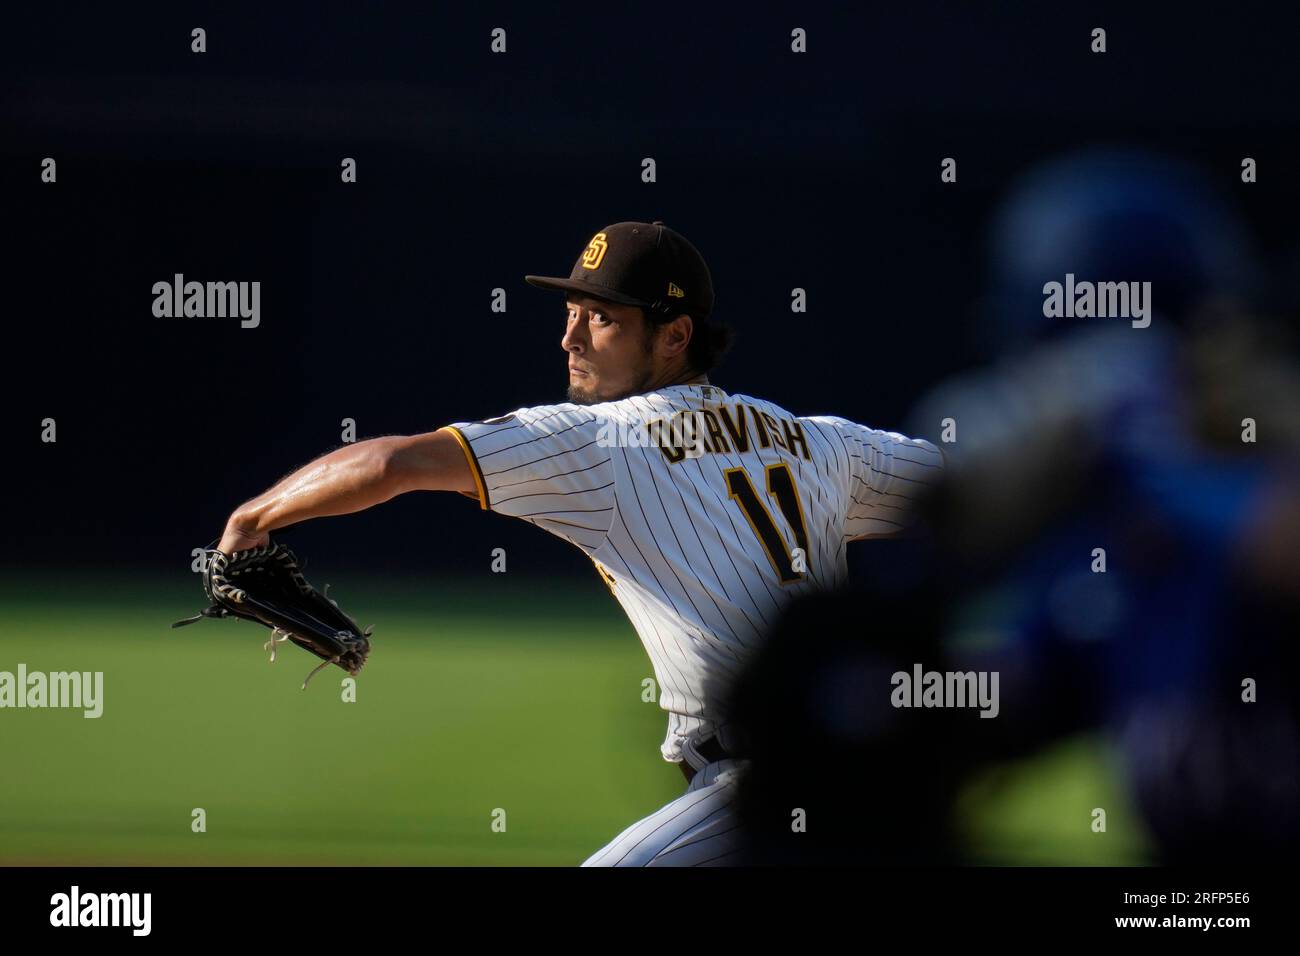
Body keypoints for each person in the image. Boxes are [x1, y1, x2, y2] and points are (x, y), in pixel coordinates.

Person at [215, 220, 944, 866]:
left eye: (601, 318)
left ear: (675, 335)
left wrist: (251, 521)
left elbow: (391, 464)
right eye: (570, 313)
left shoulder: (602, 441)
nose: (570, 338)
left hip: (775, 780)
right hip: (872, 772)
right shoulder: (819, 442)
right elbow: (969, 487)